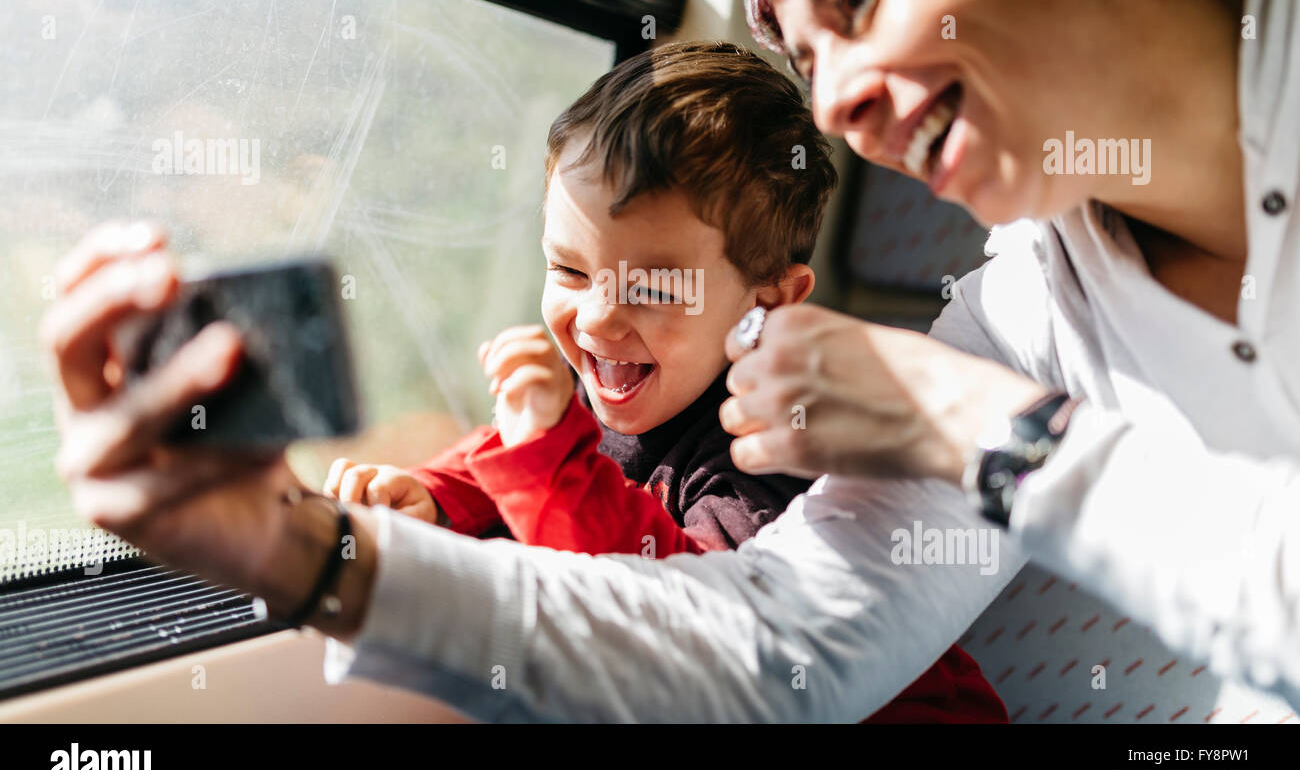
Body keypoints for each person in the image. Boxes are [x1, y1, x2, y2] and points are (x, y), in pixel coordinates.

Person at [40, 0, 1300, 721]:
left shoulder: (959, 380)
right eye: (813, 66)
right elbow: (776, 655)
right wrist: (296, 549)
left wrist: (972, 424)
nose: (849, 107)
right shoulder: (1027, 311)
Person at [318, 41, 1006, 722]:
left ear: (764, 304)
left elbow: (685, 626)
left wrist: (543, 462)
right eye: (570, 272)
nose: (596, 319)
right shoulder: (608, 375)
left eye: (650, 288)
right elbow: (499, 454)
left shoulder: (773, 452)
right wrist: (435, 501)